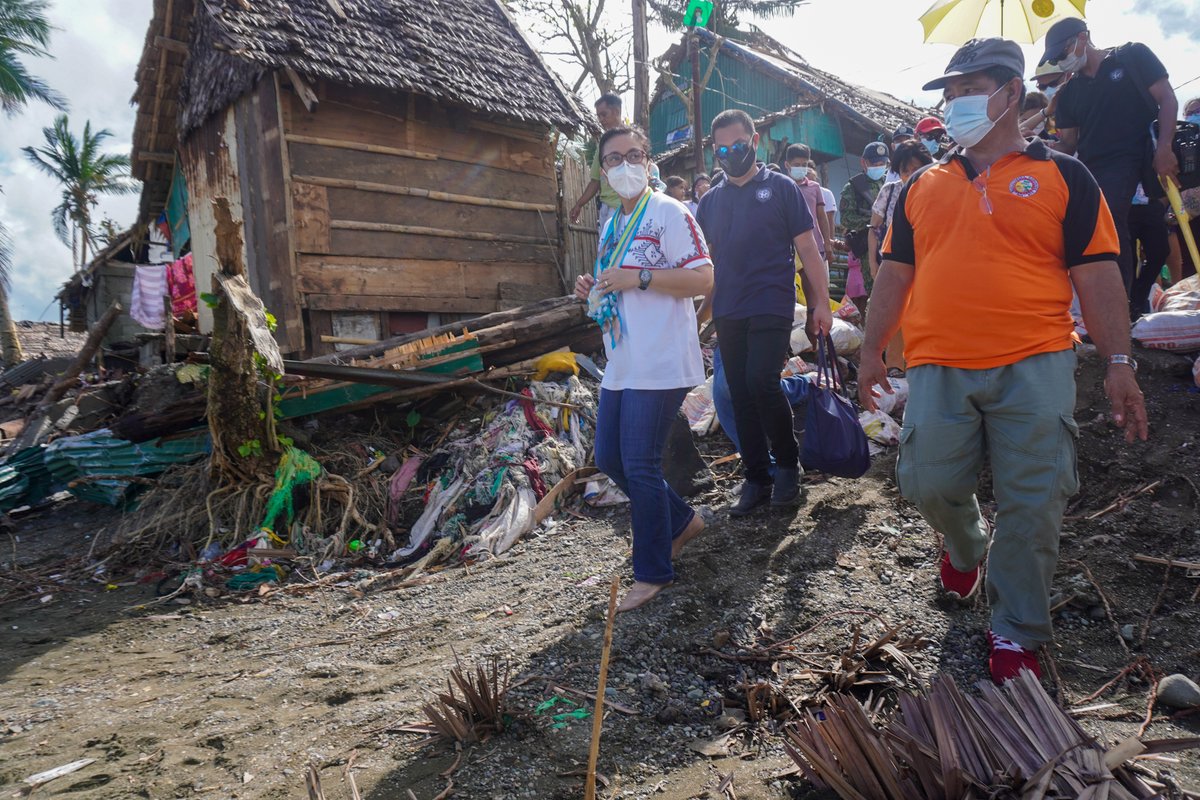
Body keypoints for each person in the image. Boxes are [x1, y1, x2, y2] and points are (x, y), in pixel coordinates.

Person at [858, 38, 1148, 685]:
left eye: (970, 89)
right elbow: (894, 274)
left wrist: (1119, 360)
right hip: (938, 362)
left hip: (1036, 359)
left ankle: (1016, 629)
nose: (956, 102)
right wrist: (872, 351)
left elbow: (1099, 274)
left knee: (1035, 497)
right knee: (927, 482)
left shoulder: (1066, 177)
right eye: (951, 92)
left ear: (1012, 92)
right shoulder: (922, 185)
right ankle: (966, 546)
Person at [573, 125, 715, 612]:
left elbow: (703, 278)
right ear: (604, 171)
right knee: (611, 458)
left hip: (660, 357)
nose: (625, 165)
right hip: (624, 358)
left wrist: (641, 277)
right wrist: (593, 286)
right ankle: (683, 523)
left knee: (639, 463)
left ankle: (652, 570)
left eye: (634, 155)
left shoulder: (669, 212)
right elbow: (616, 284)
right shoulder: (612, 223)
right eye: (614, 159)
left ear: (649, 161)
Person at [695, 109, 832, 515]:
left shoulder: (782, 188)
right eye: (722, 150)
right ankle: (757, 476)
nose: (730, 154)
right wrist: (699, 314)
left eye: (738, 145)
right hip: (729, 308)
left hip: (772, 302)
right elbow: (707, 265)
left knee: (761, 381)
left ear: (754, 142)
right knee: (738, 391)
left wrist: (821, 303)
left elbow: (809, 250)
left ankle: (788, 464)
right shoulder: (710, 202)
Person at [1043, 18, 1180, 314]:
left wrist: (1165, 147)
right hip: (1096, 172)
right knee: (1107, 234)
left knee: (1150, 243)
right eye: (1056, 59)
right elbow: (1068, 143)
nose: (1061, 61)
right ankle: (1119, 308)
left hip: (1144, 163)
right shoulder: (1070, 93)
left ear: (1083, 38)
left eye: (1062, 52)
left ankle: (1127, 304)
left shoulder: (1132, 55)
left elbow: (1167, 98)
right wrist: (1037, 147)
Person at [866, 140, 933, 374]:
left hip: (929, 263)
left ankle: (920, 365)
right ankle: (895, 368)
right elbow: (874, 229)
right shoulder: (891, 190)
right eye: (906, 171)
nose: (911, 175)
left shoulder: (941, 188)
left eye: (916, 168)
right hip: (896, 263)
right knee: (896, 313)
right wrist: (873, 264)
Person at [839, 142, 889, 313]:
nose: (879, 167)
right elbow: (846, 218)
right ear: (863, 162)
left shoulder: (890, 183)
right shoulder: (854, 187)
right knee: (875, 291)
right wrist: (873, 220)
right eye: (874, 163)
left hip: (891, 243)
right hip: (868, 247)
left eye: (882, 163)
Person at [570, 94, 624, 234]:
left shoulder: (631, 141)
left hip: (624, 207)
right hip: (605, 207)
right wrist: (579, 204)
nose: (601, 120)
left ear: (616, 111)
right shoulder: (603, 144)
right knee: (605, 247)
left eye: (604, 115)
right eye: (599, 116)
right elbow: (595, 181)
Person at [1127, 183, 1170, 315]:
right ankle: (1131, 303)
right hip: (1123, 204)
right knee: (1128, 259)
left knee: (1160, 252)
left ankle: (1138, 299)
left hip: (1150, 202)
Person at [785, 143, 831, 262]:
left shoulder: (815, 187)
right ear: (787, 165)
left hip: (814, 246)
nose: (801, 168)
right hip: (787, 247)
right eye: (796, 165)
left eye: (804, 165)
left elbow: (821, 216)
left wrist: (827, 243)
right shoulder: (781, 187)